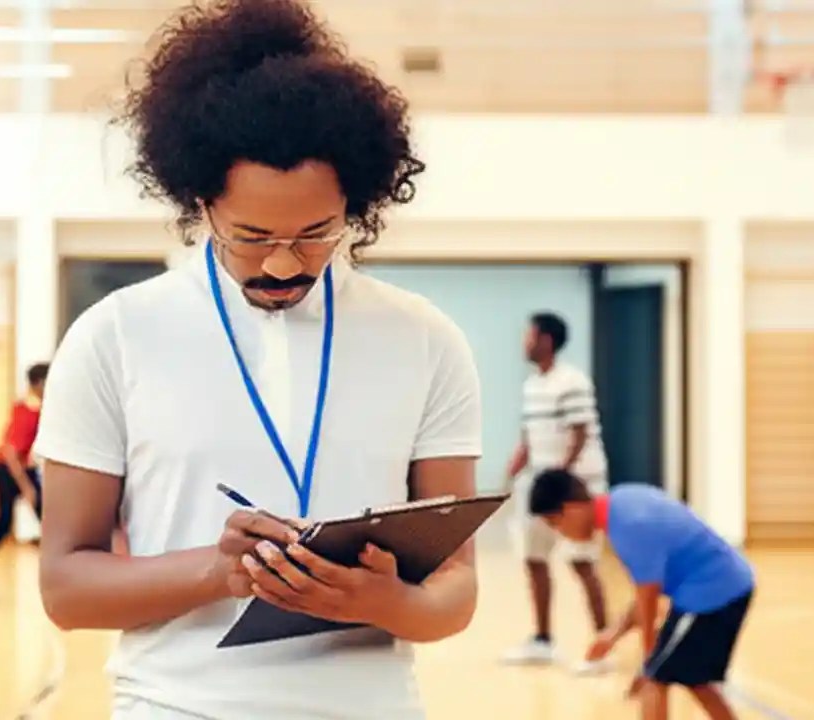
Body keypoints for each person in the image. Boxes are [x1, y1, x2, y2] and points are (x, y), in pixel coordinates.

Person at [34, 2, 482, 718]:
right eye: (250, 235)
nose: (281, 261)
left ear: (357, 207)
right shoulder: (112, 337)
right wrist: (218, 572)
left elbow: (456, 590)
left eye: (316, 234)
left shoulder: (425, 339)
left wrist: (388, 600)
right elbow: (65, 588)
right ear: (198, 200)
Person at [528, 470, 754, 720]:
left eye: (555, 523)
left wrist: (647, 662)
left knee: (656, 680)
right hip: (723, 586)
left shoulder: (629, 527)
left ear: (570, 509)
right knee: (694, 679)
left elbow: (649, 601)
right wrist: (612, 635)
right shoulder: (622, 502)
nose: (560, 533)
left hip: (712, 593)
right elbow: (644, 596)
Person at [500, 311, 611, 673]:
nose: (524, 342)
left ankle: (602, 645)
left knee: (582, 563)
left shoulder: (572, 382)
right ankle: (543, 640)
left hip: (575, 487)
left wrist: (561, 478)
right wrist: (515, 468)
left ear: (546, 340)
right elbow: (529, 436)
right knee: (533, 559)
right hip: (540, 486)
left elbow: (579, 434)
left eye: (529, 335)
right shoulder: (532, 385)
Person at [0, 362, 49, 601]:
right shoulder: (26, 411)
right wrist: (26, 487)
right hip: (8, 470)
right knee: (3, 523)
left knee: (50, 524)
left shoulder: (38, 409)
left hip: (23, 468)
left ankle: (65, 583)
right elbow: (10, 451)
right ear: (38, 384)